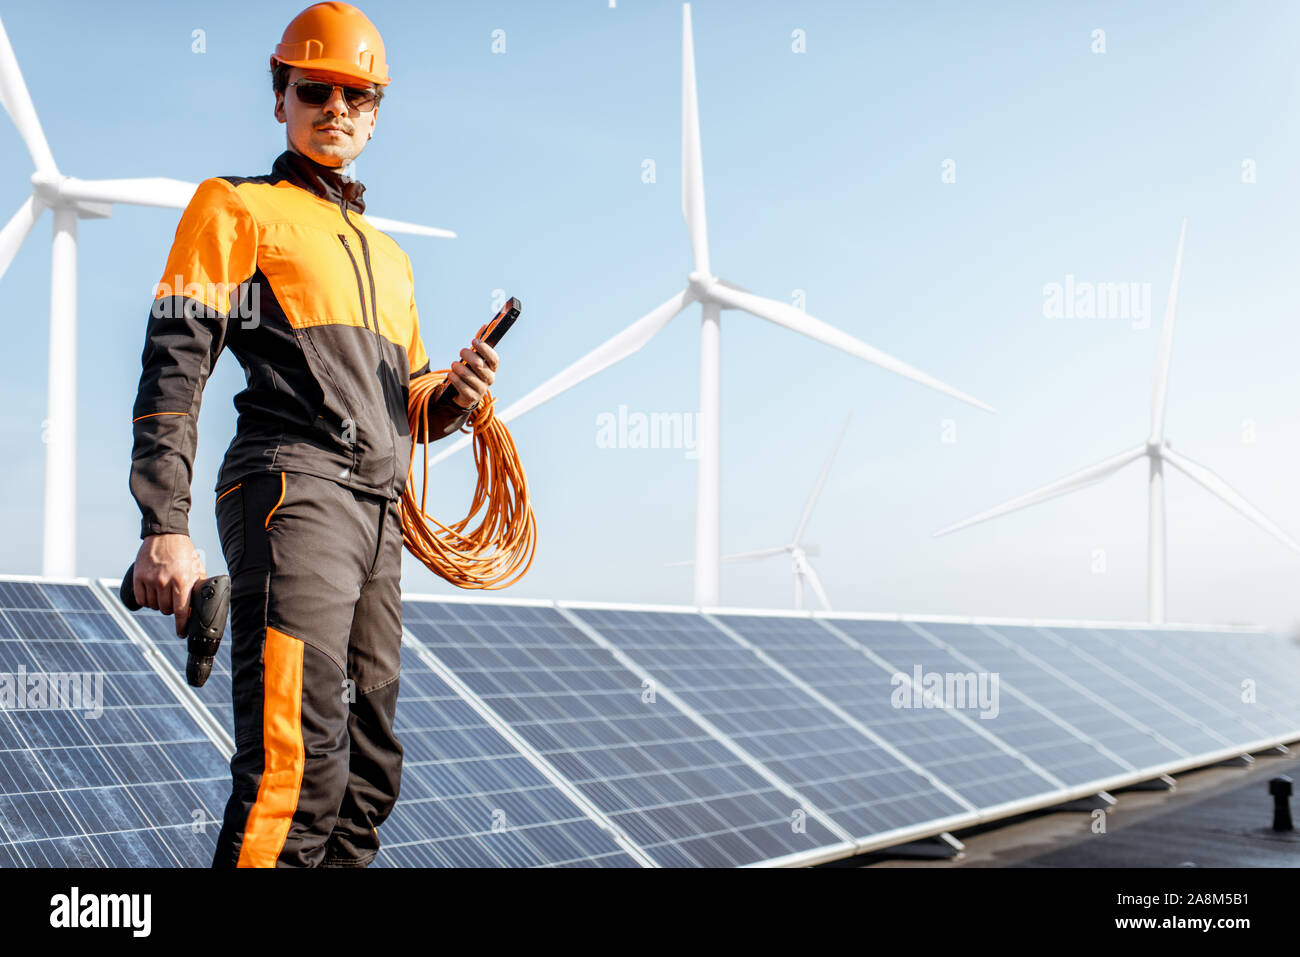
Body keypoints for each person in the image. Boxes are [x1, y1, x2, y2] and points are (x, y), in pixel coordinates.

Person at [127, 0, 499, 867]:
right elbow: (174, 361)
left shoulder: (392, 260)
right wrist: (164, 525)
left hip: (378, 512)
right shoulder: (235, 207)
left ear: (375, 113)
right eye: (315, 90)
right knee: (295, 771)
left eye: (356, 96)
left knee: (366, 780)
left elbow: (409, 407)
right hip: (292, 490)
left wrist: (459, 398)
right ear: (281, 97)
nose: (335, 108)